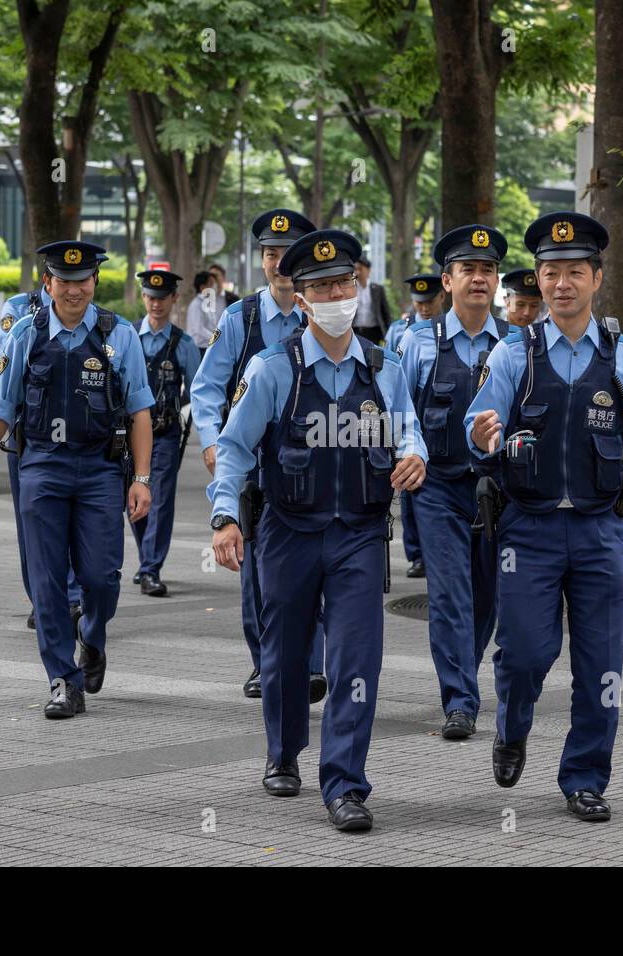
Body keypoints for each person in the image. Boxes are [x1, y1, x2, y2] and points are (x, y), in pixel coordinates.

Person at [209, 228, 427, 832]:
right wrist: (226, 515)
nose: (337, 294)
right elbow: (232, 449)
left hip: (359, 534)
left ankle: (346, 783)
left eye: (344, 282)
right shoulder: (273, 369)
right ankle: (283, 752)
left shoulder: (386, 368)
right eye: (322, 287)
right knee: (284, 655)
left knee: (357, 659)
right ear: (300, 300)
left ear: (358, 287)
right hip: (288, 532)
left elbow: (409, 430)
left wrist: (415, 455)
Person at [466, 212, 623, 821]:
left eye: (575, 273)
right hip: (527, 531)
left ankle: (585, 777)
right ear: (538, 279)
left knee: (601, 663)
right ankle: (512, 728)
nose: (562, 284)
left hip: (600, 529)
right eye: (551, 273)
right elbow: (479, 427)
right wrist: (483, 432)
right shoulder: (514, 354)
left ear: (596, 279)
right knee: (526, 652)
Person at [0, 240, 154, 719]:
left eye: (83, 281)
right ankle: (62, 681)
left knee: (101, 577)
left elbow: (139, 411)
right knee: (47, 581)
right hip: (42, 467)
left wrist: (143, 478)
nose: (74, 290)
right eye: (64, 281)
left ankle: (92, 635)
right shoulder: (26, 334)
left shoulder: (120, 335)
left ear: (95, 283)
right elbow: (0, 406)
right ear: (48, 283)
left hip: (99, 470)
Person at [190, 208, 326, 700]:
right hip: (254, 466)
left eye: (286, 256)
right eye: (270, 255)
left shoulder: (327, 313)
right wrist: (211, 439)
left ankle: (312, 666)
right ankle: (264, 661)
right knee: (258, 576)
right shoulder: (240, 318)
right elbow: (206, 388)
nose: (278, 264)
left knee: (316, 566)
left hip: (315, 464)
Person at [399, 226, 509, 741]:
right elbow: (402, 415)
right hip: (438, 488)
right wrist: (411, 453)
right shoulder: (417, 343)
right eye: (469, 270)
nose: (480, 278)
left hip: (496, 492)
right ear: (448, 280)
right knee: (449, 592)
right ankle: (460, 699)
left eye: (488, 270)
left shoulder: (514, 345)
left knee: (487, 595)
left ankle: (465, 668)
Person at [0, 282, 83, 630]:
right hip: (28, 434)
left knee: (76, 521)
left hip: (78, 435)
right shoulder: (19, 310)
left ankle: (74, 598)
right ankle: (42, 597)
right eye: (63, 274)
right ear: (48, 279)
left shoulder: (88, 313)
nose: (73, 285)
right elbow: (6, 368)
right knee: (32, 526)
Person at [131, 269, 201, 596]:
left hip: (165, 433)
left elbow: (200, 389)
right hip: (127, 433)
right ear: (143, 297)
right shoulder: (126, 336)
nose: (155, 304)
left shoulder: (184, 345)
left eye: (162, 298)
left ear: (174, 299)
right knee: (132, 496)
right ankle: (147, 557)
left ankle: (150, 568)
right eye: (150, 297)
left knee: (158, 500)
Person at [392, 272, 445, 579]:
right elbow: (397, 383)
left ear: (442, 296)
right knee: (412, 493)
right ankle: (416, 554)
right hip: (418, 427)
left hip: (446, 435)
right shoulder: (404, 332)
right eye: (418, 303)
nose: (424, 309)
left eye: (429, 302)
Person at [351, 255, 393, 346]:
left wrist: (388, 333)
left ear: (368, 270)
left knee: (373, 358)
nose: (357, 272)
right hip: (354, 331)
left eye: (360, 269)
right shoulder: (350, 289)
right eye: (355, 269)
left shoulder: (377, 289)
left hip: (374, 332)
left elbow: (385, 312)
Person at [185, 271, 220, 358]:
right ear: (202, 288)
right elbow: (199, 329)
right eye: (211, 284)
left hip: (207, 348)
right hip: (198, 349)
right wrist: (216, 338)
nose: (214, 287)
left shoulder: (207, 303)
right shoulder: (196, 305)